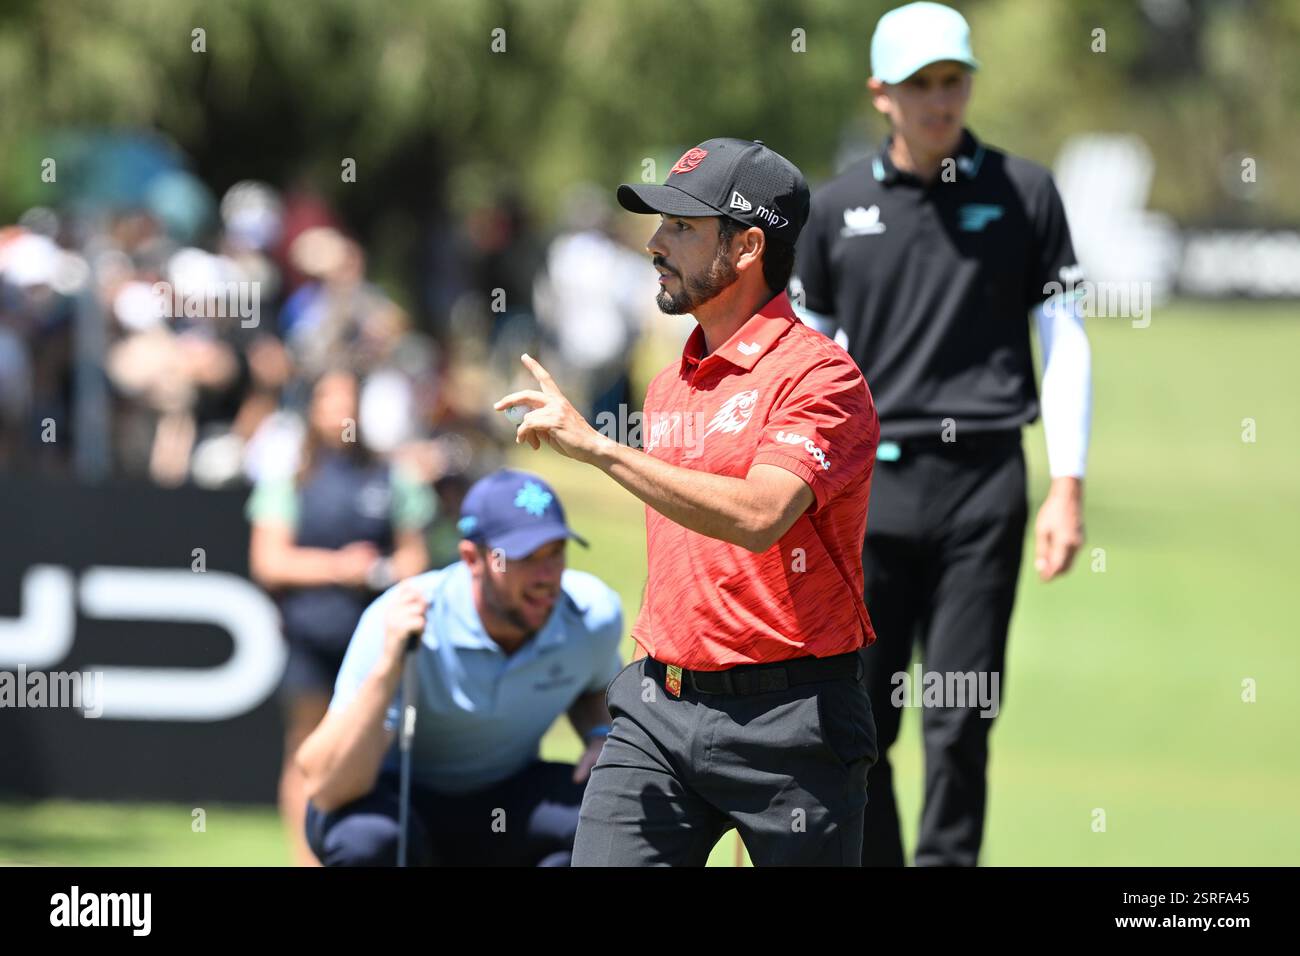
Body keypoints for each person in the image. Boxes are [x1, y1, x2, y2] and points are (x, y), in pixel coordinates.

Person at [495, 138, 881, 866]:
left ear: (747, 247)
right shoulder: (673, 380)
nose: (653, 244)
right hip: (658, 712)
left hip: (793, 723)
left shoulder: (823, 379)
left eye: (680, 227)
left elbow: (760, 517)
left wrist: (603, 449)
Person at [791, 1, 1093, 866]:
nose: (939, 100)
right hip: (867, 494)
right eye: (919, 84)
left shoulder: (1024, 193)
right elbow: (814, 363)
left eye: (952, 81)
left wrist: (1066, 487)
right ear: (880, 92)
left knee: (962, 718)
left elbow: (1064, 338)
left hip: (984, 488)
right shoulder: (838, 209)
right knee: (863, 720)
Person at [295, 469, 624, 866]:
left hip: (502, 803)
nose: (546, 577)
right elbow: (326, 789)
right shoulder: (400, 615)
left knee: (605, 817)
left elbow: (595, 687)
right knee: (368, 840)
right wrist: (388, 667)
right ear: (472, 558)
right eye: (524, 558)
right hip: (400, 797)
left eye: (555, 553)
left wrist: (601, 733)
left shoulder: (591, 615)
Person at [247, 366, 433, 865]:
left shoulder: (391, 475)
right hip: (312, 634)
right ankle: (305, 859)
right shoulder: (290, 476)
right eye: (328, 401)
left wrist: (377, 570)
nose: (339, 412)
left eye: (347, 400)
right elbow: (269, 561)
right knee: (306, 748)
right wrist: (337, 567)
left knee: (376, 745)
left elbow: (415, 558)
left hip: (377, 641)